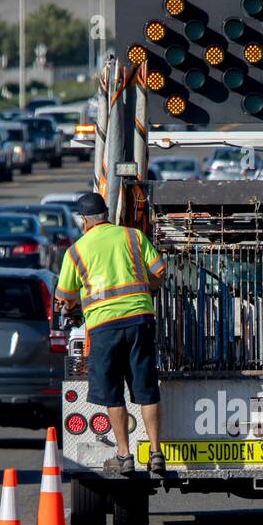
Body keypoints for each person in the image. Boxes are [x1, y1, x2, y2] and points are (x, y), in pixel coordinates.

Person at [54, 192, 167, 474]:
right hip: (140, 319)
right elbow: (160, 272)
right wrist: (147, 286)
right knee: (146, 389)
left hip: (104, 327)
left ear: (84, 221)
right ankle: (155, 452)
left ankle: (124, 454)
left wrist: (71, 307)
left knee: (112, 393)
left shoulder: (77, 251)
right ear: (106, 214)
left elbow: (65, 296)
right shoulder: (132, 237)